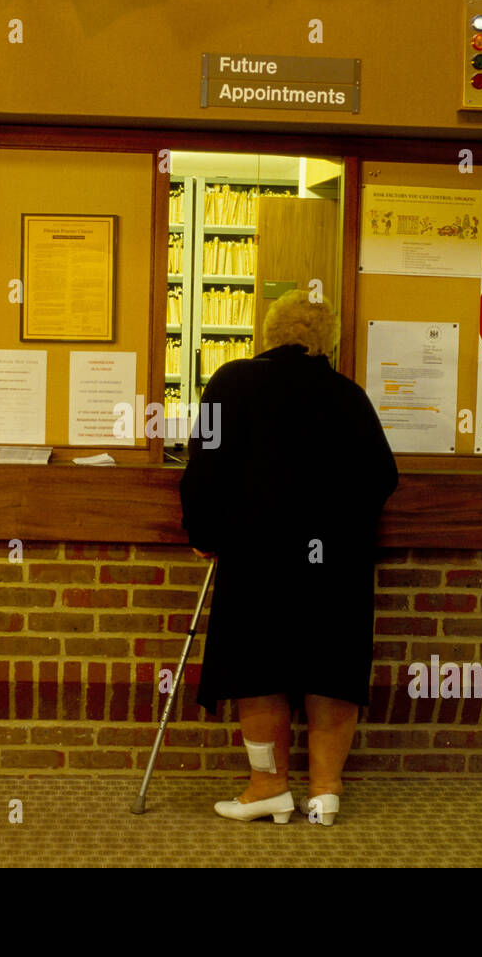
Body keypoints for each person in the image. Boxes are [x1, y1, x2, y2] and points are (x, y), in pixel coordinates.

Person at [179, 290, 399, 825]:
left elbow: (204, 466)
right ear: (327, 342)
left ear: (268, 333)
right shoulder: (349, 395)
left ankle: (268, 786)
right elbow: (382, 477)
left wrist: (204, 531)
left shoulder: (231, 382)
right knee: (332, 667)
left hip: (258, 554)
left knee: (258, 666)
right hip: (337, 561)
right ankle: (325, 792)